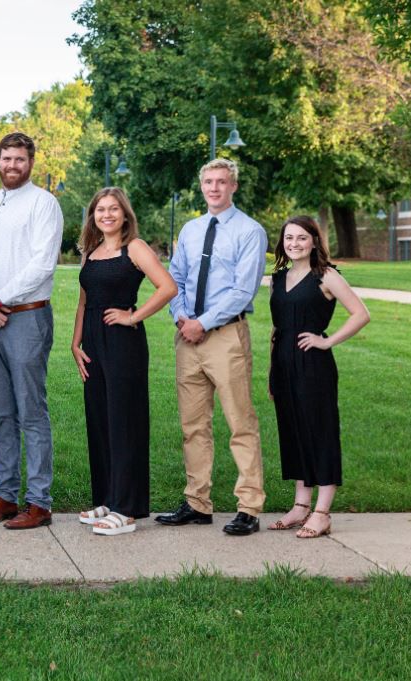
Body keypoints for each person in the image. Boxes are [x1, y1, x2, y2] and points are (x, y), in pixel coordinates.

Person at [156, 158, 268, 536]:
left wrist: (203, 322)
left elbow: (243, 289)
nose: (215, 188)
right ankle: (197, 503)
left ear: (233, 186)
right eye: (208, 182)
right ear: (201, 186)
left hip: (225, 338)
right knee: (192, 426)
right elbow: (176, 278)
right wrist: (182, 318)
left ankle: (249, 507)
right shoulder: (190, 229)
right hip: (187, 337)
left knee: (240, 422)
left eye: (222, 182)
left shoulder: (250, 231)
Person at [0, 132, 64, 530]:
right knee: (1, 413)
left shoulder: (44, 203)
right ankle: (5, 495)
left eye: (19, 159)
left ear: (31, 163)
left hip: (26, 318)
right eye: (6, 158)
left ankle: (38, 502)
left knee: (31, 412)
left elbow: (42, 265)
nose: (12, 165)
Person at [71, 188, 176, 536]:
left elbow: (167, 287)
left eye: (113, 209)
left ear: (125, 214)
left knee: (124, 422)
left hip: (122, 342)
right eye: (101, 209)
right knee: (100, 421)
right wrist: (75, 344)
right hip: (92, 344)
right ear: (93, 216)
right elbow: (84, 302)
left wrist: (133, 317)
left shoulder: (135, 248)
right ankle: (106, 498)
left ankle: (126, 509)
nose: (107, 215)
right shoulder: (91, 252)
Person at [267, 216, 369, 538]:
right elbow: (276, 327)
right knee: (295, 431)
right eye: (289, 238)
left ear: (314, 241)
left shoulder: (325, 275)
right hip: (283, 362)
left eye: (301, 238)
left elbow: (361, 313)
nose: (294, 243)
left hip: (313, 364)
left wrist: (326, 341)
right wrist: (272, 371)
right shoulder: (278, 277)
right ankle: (301, 506)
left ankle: (322, 512)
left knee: (319, 431)